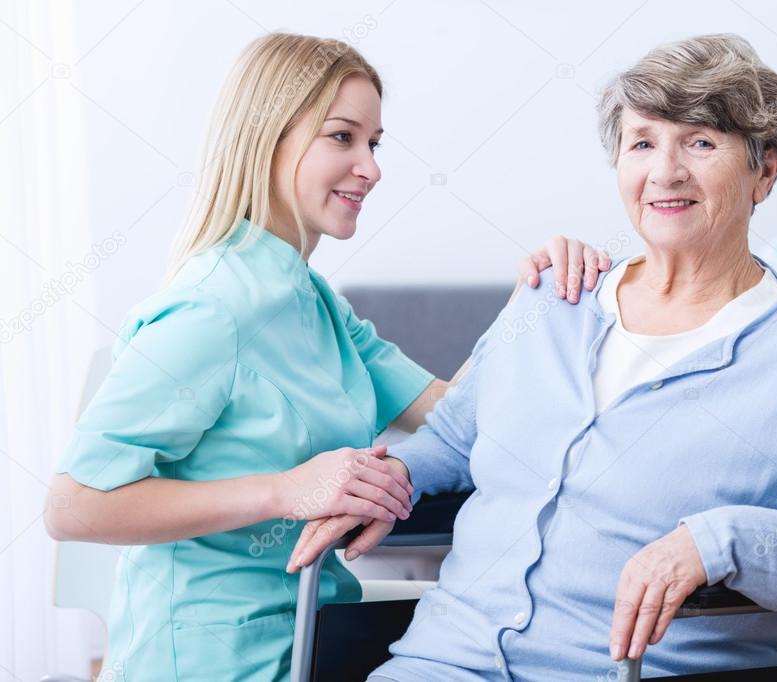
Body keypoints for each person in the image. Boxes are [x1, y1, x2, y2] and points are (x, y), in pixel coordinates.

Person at [290, 34, 777, 680]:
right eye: (642, 142)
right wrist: (387, 476)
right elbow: (458, 436)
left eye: (701, 142)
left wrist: (719, 542)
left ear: (764, 169)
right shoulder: (554, 299)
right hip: (442, 663)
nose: (665, 171)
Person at [43, 32, 606, 681]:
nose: (370, 166)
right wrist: (284, 491)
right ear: (268, 137)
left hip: (315, 632)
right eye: (343, 137)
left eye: (373, 142)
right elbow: (74, 504)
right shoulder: (211, 311)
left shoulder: (311, 300)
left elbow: (461, 416)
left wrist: (529, 303)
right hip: (211, 659)